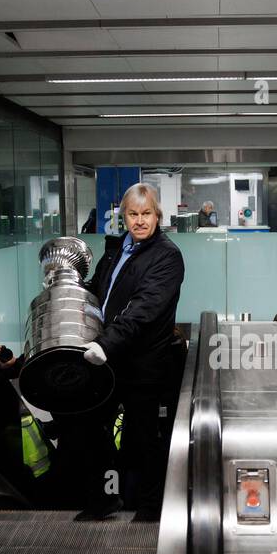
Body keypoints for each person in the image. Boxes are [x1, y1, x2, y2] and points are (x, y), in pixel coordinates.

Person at [76, 182, 185, 522]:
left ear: (158, 216)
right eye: (133, 214)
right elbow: (98, 293)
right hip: (107, 359)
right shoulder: (115, 249)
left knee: (143, 438)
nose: (140, 221)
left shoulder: (167, 257)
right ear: (123, 216)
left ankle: (150, 511)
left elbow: (142, 310)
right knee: (92, 428)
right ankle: (103, 500)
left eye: (147, 214)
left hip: (143, 364)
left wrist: (104, 344)